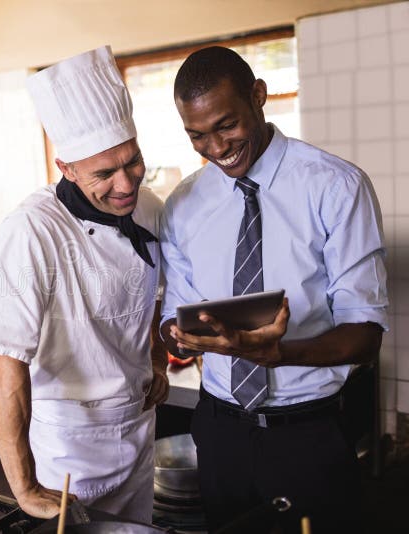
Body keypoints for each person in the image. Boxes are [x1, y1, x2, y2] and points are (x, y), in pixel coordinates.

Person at [158, 46, 388, 533]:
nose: (216, 148)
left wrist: (278, 354)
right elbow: (173, 315)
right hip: (219, 433)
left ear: (258, 96)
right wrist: (179, 337)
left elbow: (365, 336)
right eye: (197, 135)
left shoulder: (336, 186)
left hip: (308, 435)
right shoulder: (183, 205)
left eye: (226, 125)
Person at [0, 45, 169, 523]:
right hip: (69, 446)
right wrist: (23, 488)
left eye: (133, 161)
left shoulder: (149, 208)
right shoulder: (31, 230)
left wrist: (157, 358)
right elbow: (2, 364)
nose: (126, 184)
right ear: (67, 169)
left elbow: (156, 293)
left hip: (138, 427)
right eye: (105, 173)